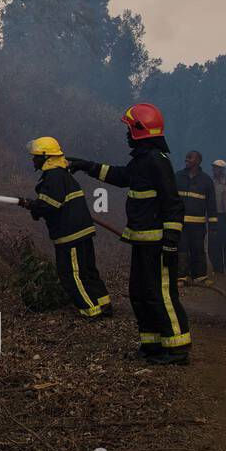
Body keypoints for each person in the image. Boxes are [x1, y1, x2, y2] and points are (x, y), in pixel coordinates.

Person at [68, 103, 191, 365]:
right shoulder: (143, 161)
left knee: (162, 295)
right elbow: (121, 176)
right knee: (140, 293)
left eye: (128, 129)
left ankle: (178, 349)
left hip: (158, 245)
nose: (126, 134)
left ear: (139, 130)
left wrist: (171, 242)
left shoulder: (157, 162)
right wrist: (85, 165)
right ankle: (152, 346)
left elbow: (173, 204)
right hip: (142, 243)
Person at [18, 137, 112, 319]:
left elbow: (49, 205)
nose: (33, 160)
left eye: (35, 157)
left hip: (70, 235)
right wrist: (36, 206)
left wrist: (31, 205)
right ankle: (103, 304)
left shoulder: (53, 176)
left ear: (46, 157)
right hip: (81, 231)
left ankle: (91, 310)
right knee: (88, 271)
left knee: (71, 274)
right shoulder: (61, 173)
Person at [175, 151, 217, 288]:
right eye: (186, 157)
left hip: (198, 225)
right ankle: (181, 277)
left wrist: (213, 225)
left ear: (198, 161)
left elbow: (211, 204)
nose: (186, 159)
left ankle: (200, 277)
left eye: (190, 157)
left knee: (198, 250)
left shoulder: (206, 180)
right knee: (181, 249)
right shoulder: (178, 177)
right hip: (180, 222)